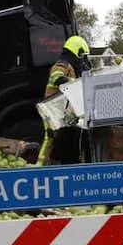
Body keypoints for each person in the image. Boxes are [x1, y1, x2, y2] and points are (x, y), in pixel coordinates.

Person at [38, 35, 92, 165]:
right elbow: (56, 77)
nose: (83, 61)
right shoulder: (62, 63)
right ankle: (40, 167)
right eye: (82, 56)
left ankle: (55, 165)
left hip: (59, 111)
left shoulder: (72, 67)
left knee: (61, 141)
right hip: (50, 110)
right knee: (50, 138)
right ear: (77, 52)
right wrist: (75, 82)